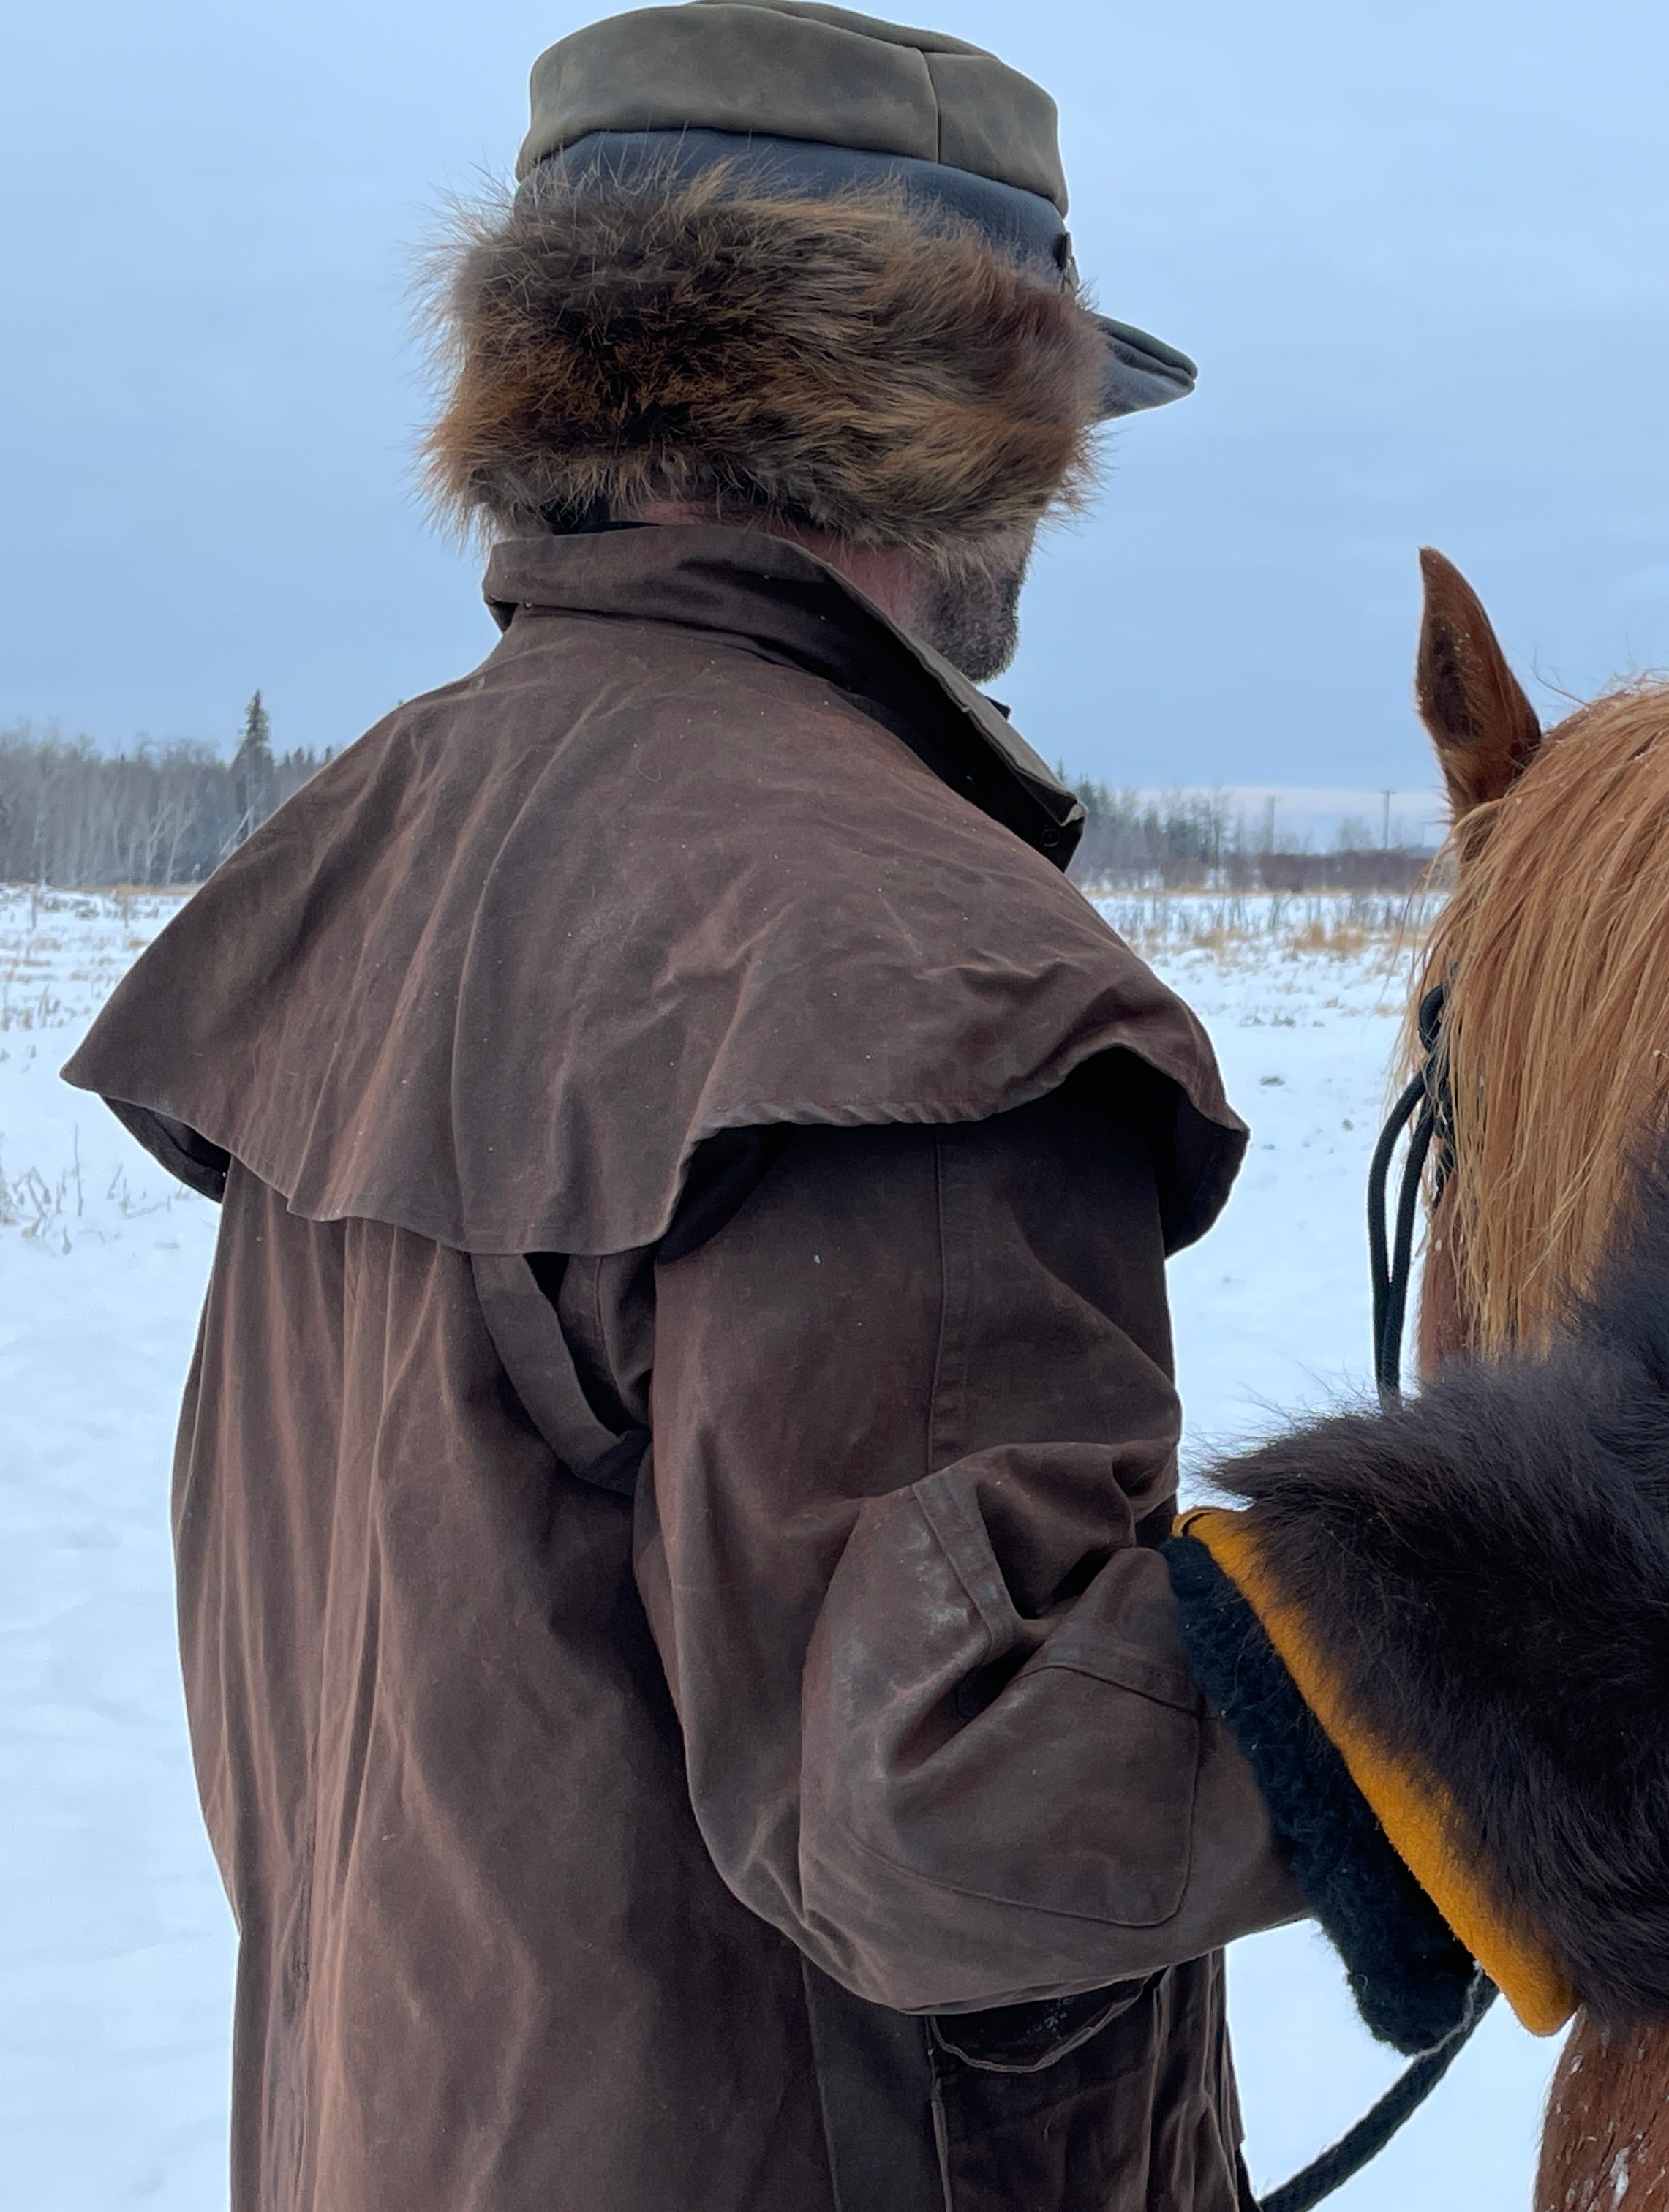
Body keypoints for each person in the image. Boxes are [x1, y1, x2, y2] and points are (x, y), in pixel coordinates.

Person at [66, 7, 1303, 2206]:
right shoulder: (898, 954)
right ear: (958, 415)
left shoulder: (375, 840)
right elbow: (961, 1800)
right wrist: (1509, 1626)